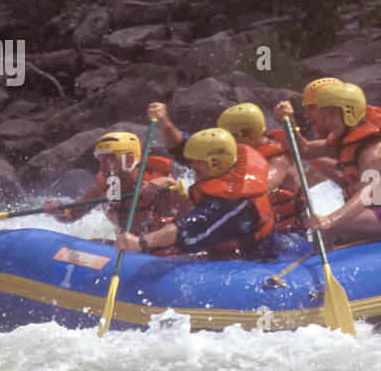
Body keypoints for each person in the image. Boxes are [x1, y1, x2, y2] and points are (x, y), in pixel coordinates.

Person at [273, 82, 381, 245]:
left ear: (349, 113)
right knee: (327, 231)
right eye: (325, 116)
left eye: (331, 115)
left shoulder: (377, 148)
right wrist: (289, 124)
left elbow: (367, 192)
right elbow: (303, 151)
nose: (328, 122)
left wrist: (331, 219)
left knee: (329, 230)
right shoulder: (346, 139)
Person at [114, 128, 279, 260]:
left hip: (251, 261)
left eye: (197, 161)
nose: (192, 165)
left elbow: (187, 226)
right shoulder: (111, 184)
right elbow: (191, 211)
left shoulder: (229, 200)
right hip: (225, 253)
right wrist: (172, 184)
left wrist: (141, 242)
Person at [42, 130, 189, 246]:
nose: (102, 167)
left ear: (129, 160)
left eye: (108, 160)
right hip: (130, 250)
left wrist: (171, 184)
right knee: (95, 243)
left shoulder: (157, 187)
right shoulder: (110, 186)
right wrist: (58, 209)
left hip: (165, 253)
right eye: (100, 160)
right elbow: (71, 215)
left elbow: (194, 216)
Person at [217, 102, 306, 235]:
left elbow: (258, 190)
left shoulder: (278, 161)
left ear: (249, 134)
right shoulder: (246, 157)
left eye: (230, 137)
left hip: (291, 237)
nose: (225, 144)